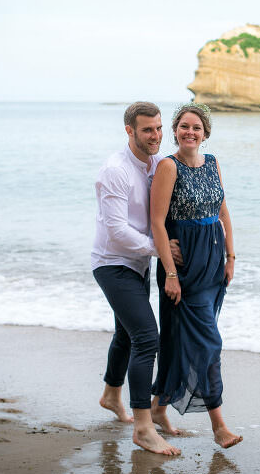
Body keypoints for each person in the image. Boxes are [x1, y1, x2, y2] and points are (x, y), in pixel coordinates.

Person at [149, 102, 243, 449]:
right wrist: (170, 273)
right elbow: (157, 223)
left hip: (213, 263)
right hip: (184, 267)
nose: (190, 132)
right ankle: (219, 425)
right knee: (209, 342)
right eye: (184, 126)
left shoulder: (213, 162)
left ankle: (159, 409)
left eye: (197, 127)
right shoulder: (167, 167)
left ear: (205, 133)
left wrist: (231, 256)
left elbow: (223, 211)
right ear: (175, 130)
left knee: (182, 341)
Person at [91, 101, 182, 455]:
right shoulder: (115, 170)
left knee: (125, 334)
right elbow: (115, 231)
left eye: (159, 128)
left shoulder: (158, 163)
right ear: (129, 131)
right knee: (147, 338)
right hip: (113, 264)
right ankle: (144, 427)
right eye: (148, 130)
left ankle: (112, 395)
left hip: (139, 263)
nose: (156, 136)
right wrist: (159, 249)